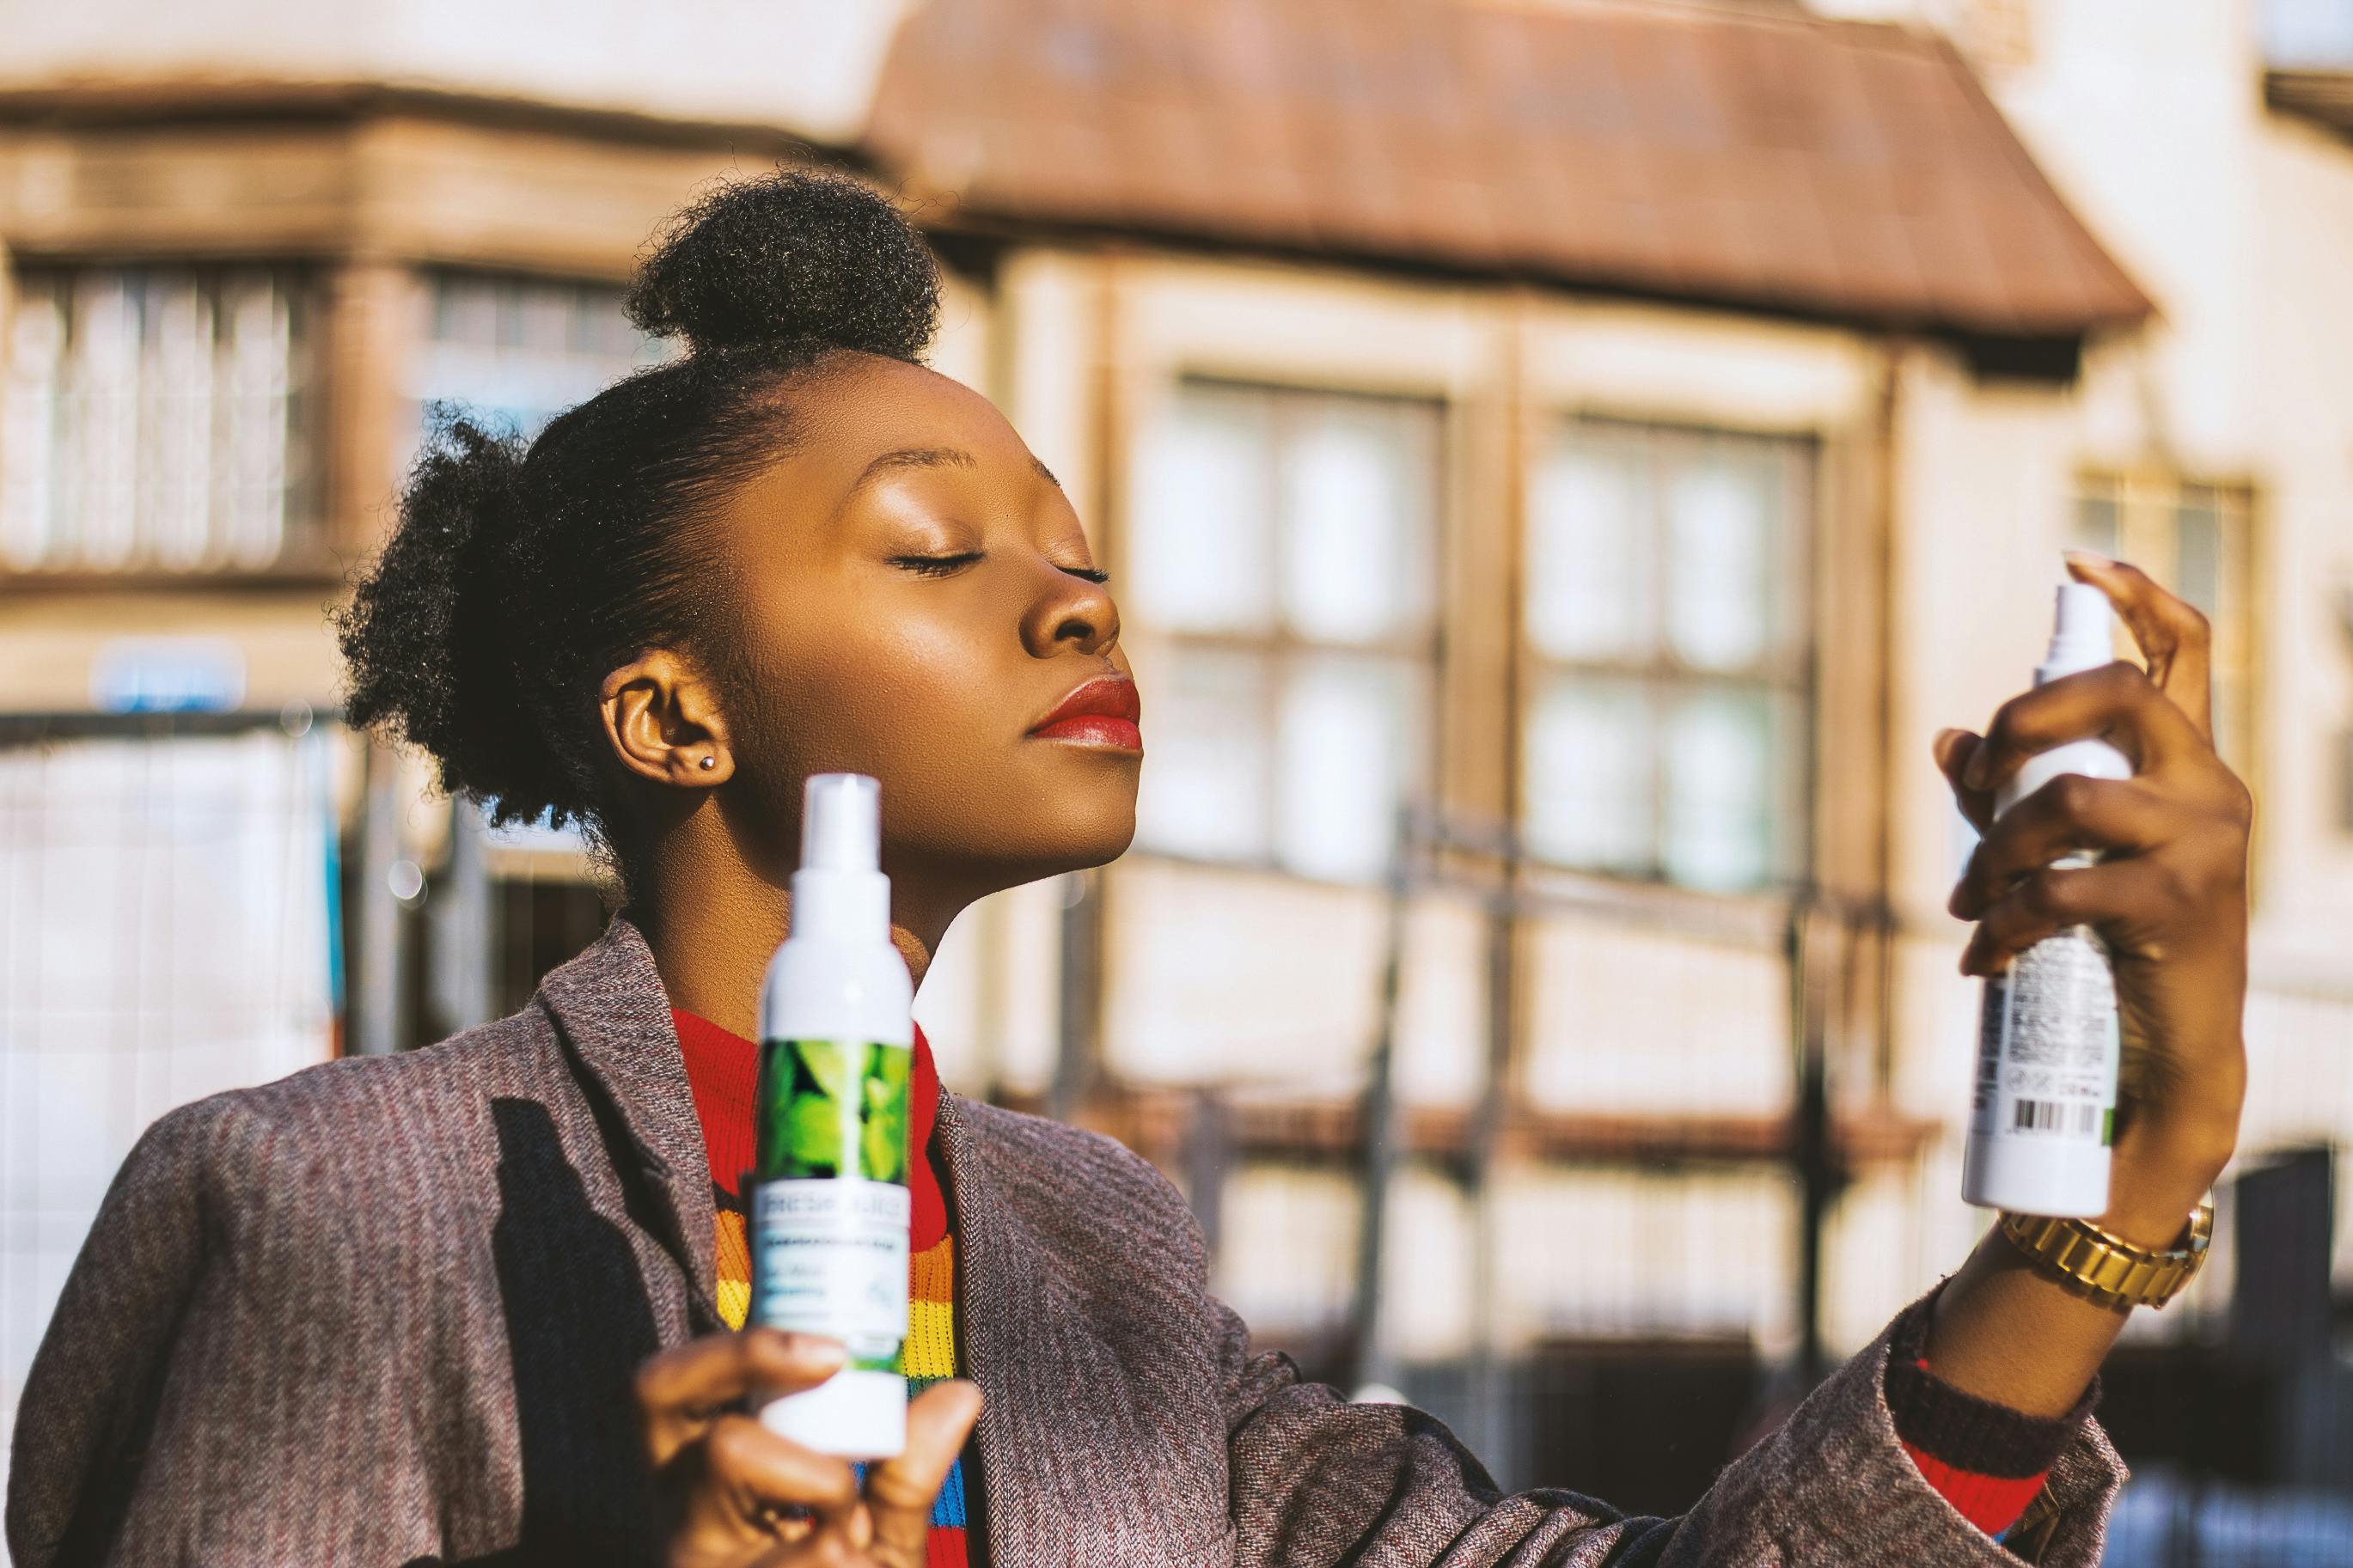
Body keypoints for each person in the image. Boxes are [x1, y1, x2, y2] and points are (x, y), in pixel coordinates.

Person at [6, 169, 2250, 1568]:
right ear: (666, 712)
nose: (1080, 608)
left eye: (1076, 560)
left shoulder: (1095, 1256)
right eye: (935, 550)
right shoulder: (331, 1206)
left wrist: (2124, 1169)